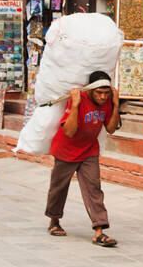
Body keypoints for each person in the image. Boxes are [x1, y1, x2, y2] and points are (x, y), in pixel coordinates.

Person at [46, 71, 120, 246]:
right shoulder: (78, 100)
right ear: (91, 90)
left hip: (89, 150)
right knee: (59, 187)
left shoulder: (109, 102)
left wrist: (116, 105)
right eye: (99, 93)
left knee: (94, 188)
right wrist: (76, 106)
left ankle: (99, 231)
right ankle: (54, 221)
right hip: (66, 150)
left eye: (106, 93)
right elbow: (69, 132)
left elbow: (110, 128)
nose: (103, 97)